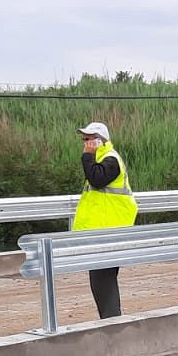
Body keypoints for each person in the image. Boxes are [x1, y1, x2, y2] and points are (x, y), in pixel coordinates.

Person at [71, 121, 137, 318]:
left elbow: (97, 179)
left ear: (100, 140)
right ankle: (111, 320)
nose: (85, 143)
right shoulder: (102, 159)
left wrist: (88, 156)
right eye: (84, 139)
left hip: (110, 231)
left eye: (89, 139)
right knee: (100, 280)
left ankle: (112, 323)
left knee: (102, 280)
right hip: (100, 230)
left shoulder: (111, 160)